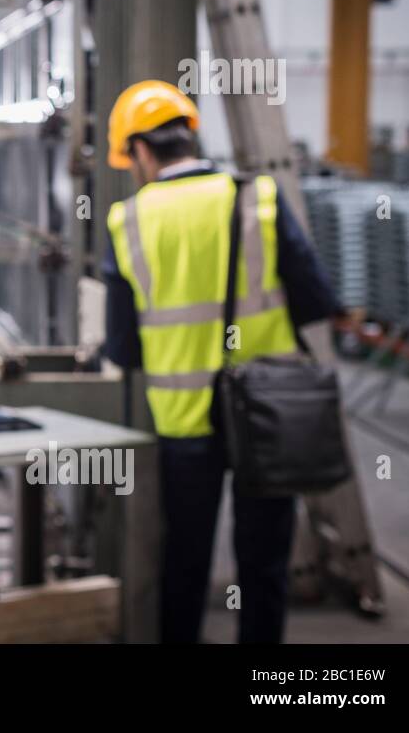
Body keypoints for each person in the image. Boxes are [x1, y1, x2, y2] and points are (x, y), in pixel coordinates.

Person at [100, 79, 342, 644]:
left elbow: (123, 349)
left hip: (185, 419)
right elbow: (314, 300)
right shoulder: (257, 197)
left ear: (138, 150)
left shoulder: (127, 221)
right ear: (189, 135)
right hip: (266, 413)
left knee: (185, 557)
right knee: (263, 563)